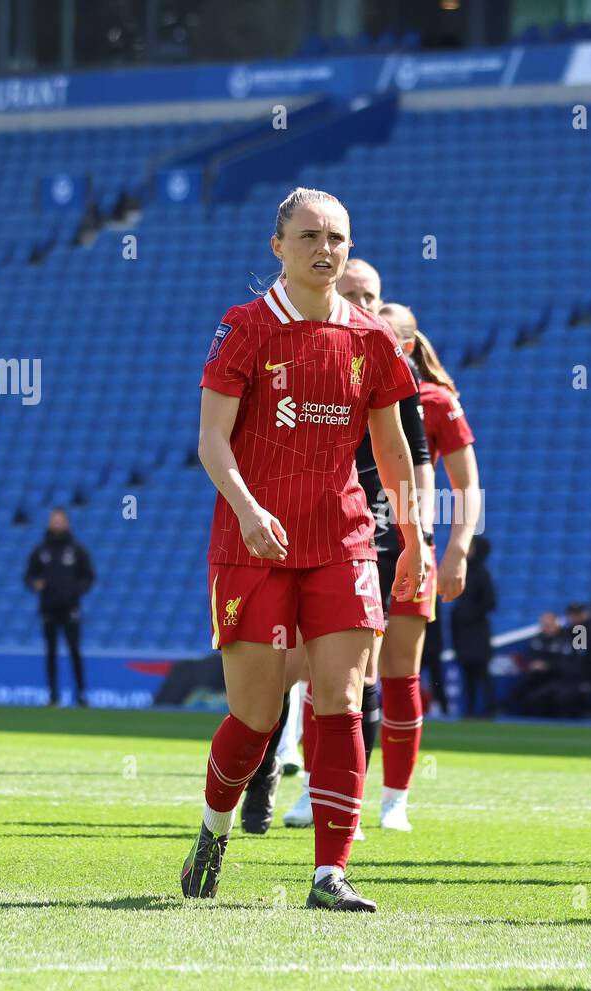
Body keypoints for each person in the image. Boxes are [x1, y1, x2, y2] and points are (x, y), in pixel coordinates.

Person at [180, 187, 430, 913]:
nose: (326, 248)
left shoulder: (372, 340)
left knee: (341, 701)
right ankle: (213, 832)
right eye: (311, 235)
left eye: (338, 238)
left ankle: (330, 872)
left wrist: (411, 536)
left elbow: (392, 449)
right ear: (278, 246)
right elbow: (211, 442)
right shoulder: (246, 327)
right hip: (252, 541)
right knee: (255, 718)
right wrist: (250, 508)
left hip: (343, 541)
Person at [279, 259, 433, 834]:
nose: (364, 304)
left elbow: (417, 462)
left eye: (372, 294)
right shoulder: (302, 358)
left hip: (382, 534)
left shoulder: (394, 370)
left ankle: (383, 801)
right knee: (316, 675)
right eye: (354, 293)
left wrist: (424, 535)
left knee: (374, 677)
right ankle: (304, 786)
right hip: (321, 533)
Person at [371, 302, 481, 830]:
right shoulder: (351, 392)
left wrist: (459, 547)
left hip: (411, 547)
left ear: (409, 346)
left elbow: (466, 487)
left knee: (399, 675)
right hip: (353, 545)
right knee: (341, 680)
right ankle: (317, 793)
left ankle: (395, 801)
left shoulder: (436, 403)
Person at [24, 507, 94, 707]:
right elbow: (29, 576)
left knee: (74, 651)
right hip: (49, 608)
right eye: (53, 520)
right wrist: (34, 583)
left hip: (71, 607)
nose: (56, 523)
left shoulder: (77, 550)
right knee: (51, 652)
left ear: (67, 523)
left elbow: (88, 576)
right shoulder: (41, 551)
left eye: (60, 520)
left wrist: (76, 590)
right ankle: (53, 695)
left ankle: (81, 694)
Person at [451, 537, 496, 717]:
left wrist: (469, 613)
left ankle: (490, 709)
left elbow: (490, 603)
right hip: (463, 633)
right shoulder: (464, 571)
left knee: (482, 673)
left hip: (478, 633)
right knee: (467, 675)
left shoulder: (483, 574)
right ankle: (468, 711)